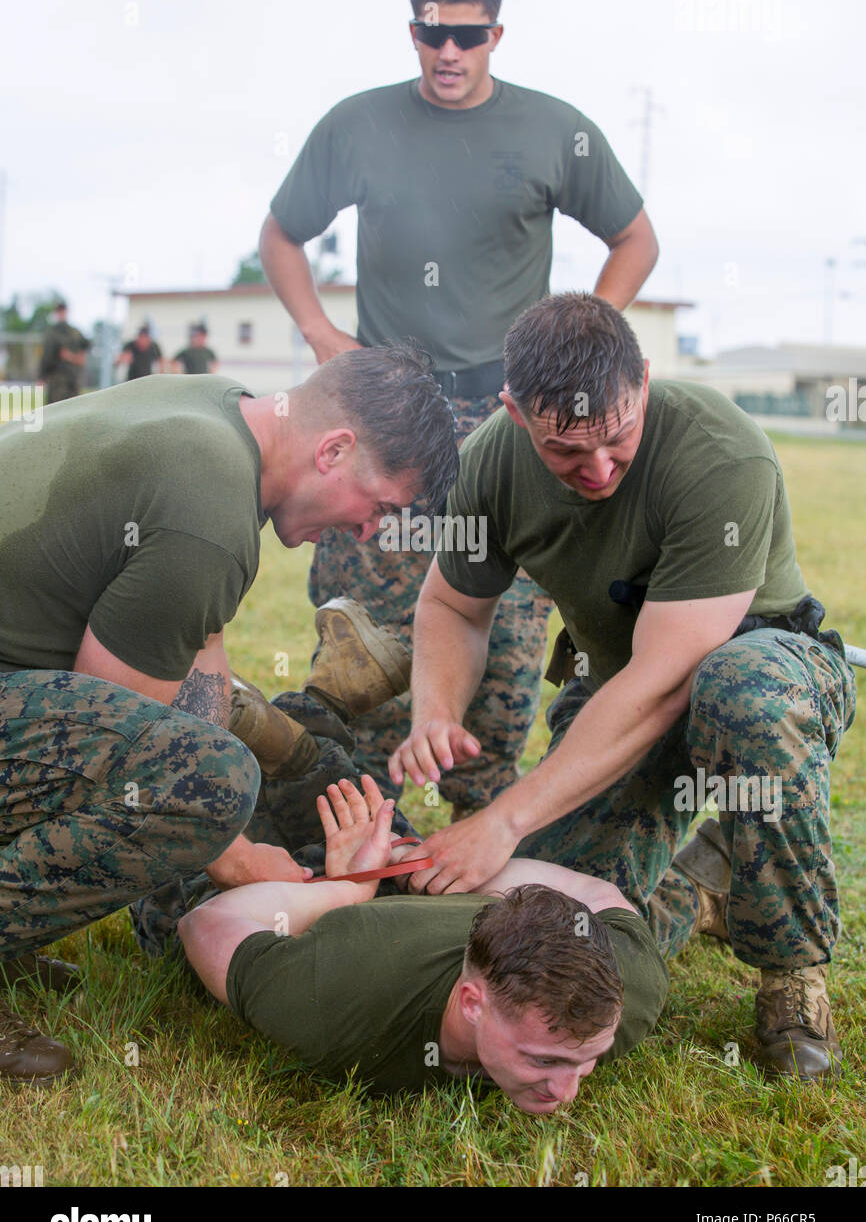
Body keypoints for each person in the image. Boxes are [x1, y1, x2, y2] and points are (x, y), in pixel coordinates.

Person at [389, 292, 857, 1082]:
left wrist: (502, 818)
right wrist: (434, 709)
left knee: (739, 689)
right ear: (512, 410)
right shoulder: (493, 462)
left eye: (617, 438)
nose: (598, 470)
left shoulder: (722, 452)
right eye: (566, 452)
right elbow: (451, 606)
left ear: (642, 379)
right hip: (622, 686)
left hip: (765, 671)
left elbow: (668, 681)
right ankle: (700, 887)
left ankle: (793, 980)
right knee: (557, 924)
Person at [259, 0, 659, 820]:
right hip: (389, 409)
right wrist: (324, 334)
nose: (449, 51)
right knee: (365, 627)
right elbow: (281, 236)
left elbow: (636, 238)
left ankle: (485, 819)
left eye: (468, 35)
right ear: (413, 31)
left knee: (509, 619)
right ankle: (359, 815)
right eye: (433, 33)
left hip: (508, 411)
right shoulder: (357, 125)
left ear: (495, 34)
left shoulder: (555, 130)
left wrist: (577, 337)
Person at [0, 346, 458, 1085]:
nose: (371, 533)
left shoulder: (225, 415)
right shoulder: (208, 516)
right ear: (334, 450)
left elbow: (197, 661)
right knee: (203, 781)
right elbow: (116, 750)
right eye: (379, 508)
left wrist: (235, 820)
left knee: (213, 770)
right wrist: (239, 858)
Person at [179, 771, 669, 1113]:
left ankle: (312, 719)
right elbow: (205, 923)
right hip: (310, 901)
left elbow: (596, 895)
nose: (567, 1093)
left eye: (587, 1061)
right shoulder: (339, 1006)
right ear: (473, 1003)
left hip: (389, 867)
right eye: (545, 1060)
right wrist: (347, 889)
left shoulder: (630, 993)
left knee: (354, 803)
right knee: (178, 868)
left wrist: (425, 868)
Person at [37, 300, 91, 403]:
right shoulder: (54, 332)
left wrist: (73, 358)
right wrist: (42, 376)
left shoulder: (73, 332)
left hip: (70, 378)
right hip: (59, 377)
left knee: (64, 409)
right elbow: (47, 357)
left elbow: (86, 346)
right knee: (61, 409)